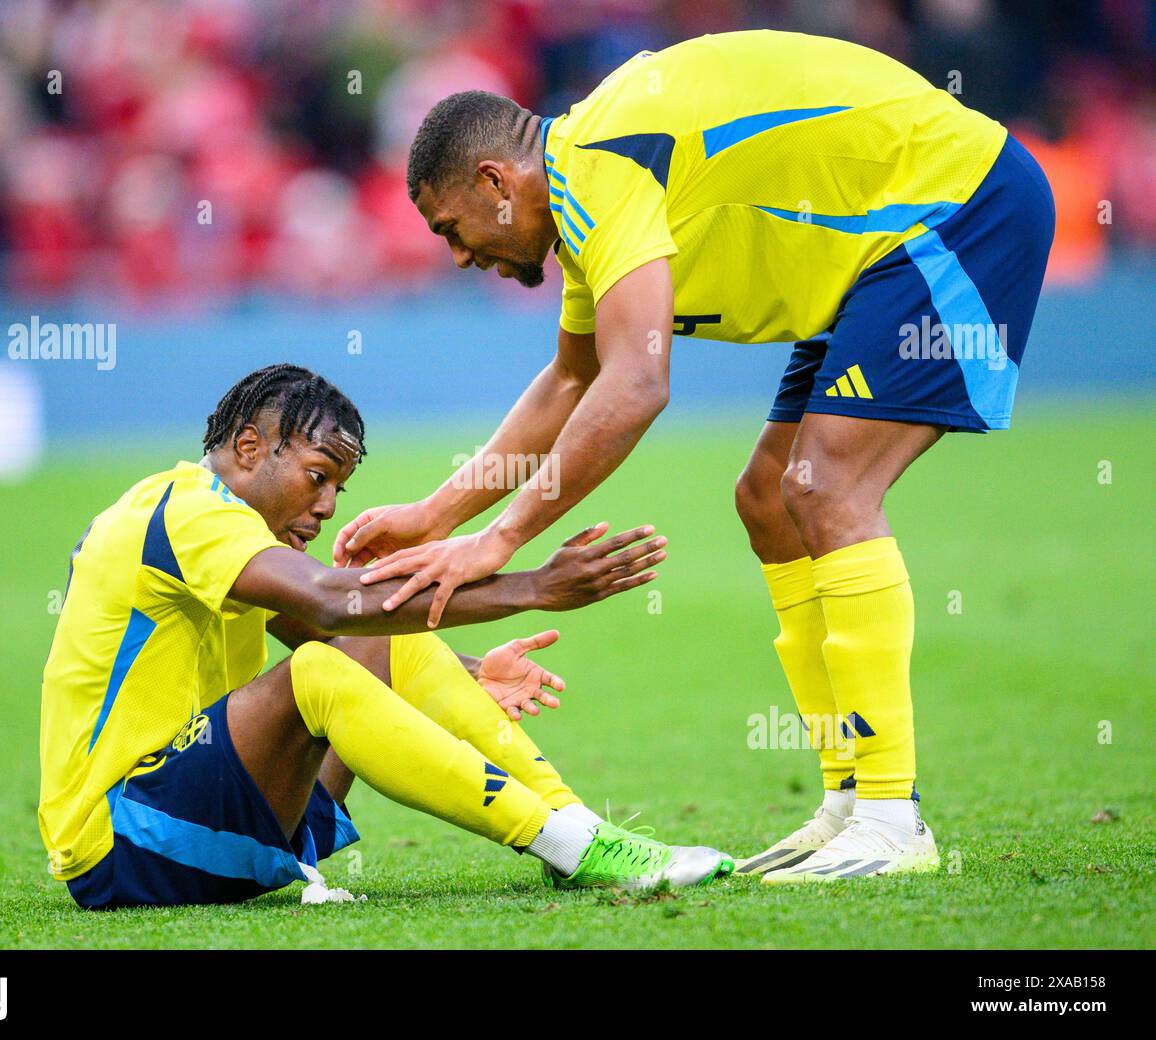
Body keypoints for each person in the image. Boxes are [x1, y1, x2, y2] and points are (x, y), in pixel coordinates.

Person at [332, 31, 1056, 882]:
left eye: (452, 228)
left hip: (957, 209)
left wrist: (500, 540)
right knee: (769, 500)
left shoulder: (600, 169)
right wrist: (435, 516)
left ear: (496, 184)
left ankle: (894, 819)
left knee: (827, 487)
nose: (459, 256)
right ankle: (851, 801)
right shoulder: (582, 187)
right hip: (878, 253)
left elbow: (637, 385)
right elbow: (573, 379)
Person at [38, 363, 731, 909]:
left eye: (338, 486)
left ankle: (581, 830)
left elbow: (349, 630)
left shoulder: (222, 526)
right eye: (316, 476)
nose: (328, 505)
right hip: (121, 842)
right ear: (249, 446)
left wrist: (462, 673)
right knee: (322, 672)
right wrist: (531, 588)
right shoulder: (184, 509)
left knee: (384, 644)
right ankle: (565, 846)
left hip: (207, 825)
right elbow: (332, 607)